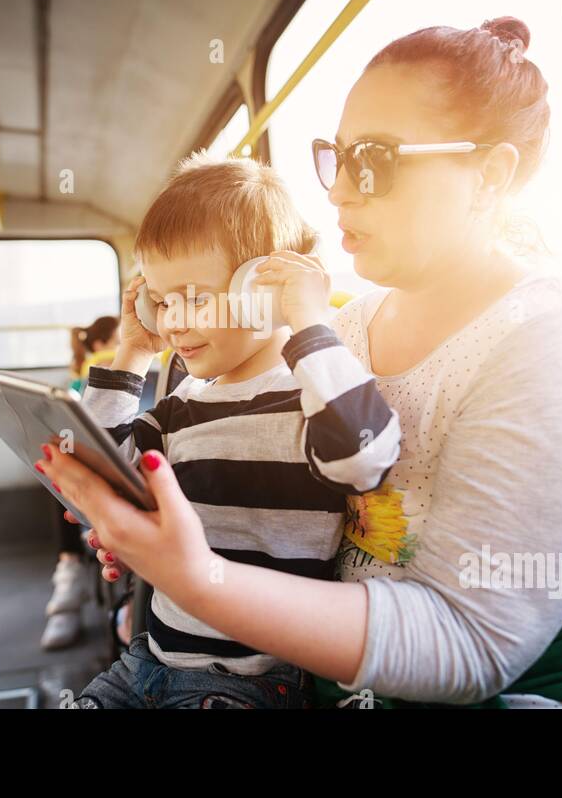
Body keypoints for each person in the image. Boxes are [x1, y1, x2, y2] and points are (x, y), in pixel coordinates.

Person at [38, 18, 562, 708]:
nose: (340, 188)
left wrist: (202, 583)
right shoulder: (337, 330)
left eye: (374, 160)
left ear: (489, 175)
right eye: (336, 156)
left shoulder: (552, 347)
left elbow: (474, 645)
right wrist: (163, 543)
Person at [51, 153, 399, 708]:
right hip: (150, 659)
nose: (172, 321)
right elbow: (97, 466)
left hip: (245, 681)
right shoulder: (182, 404)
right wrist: (134, 351)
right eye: (160, 302)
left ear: (258, 292)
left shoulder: (306, 401)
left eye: (192, 298)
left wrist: (308, 320)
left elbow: (365, 457)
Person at [40, 316, 120, 651]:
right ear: (100, 346)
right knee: (57, 468)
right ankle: (70, 572)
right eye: (118, 340)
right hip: (95, 457)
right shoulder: (79, 385)